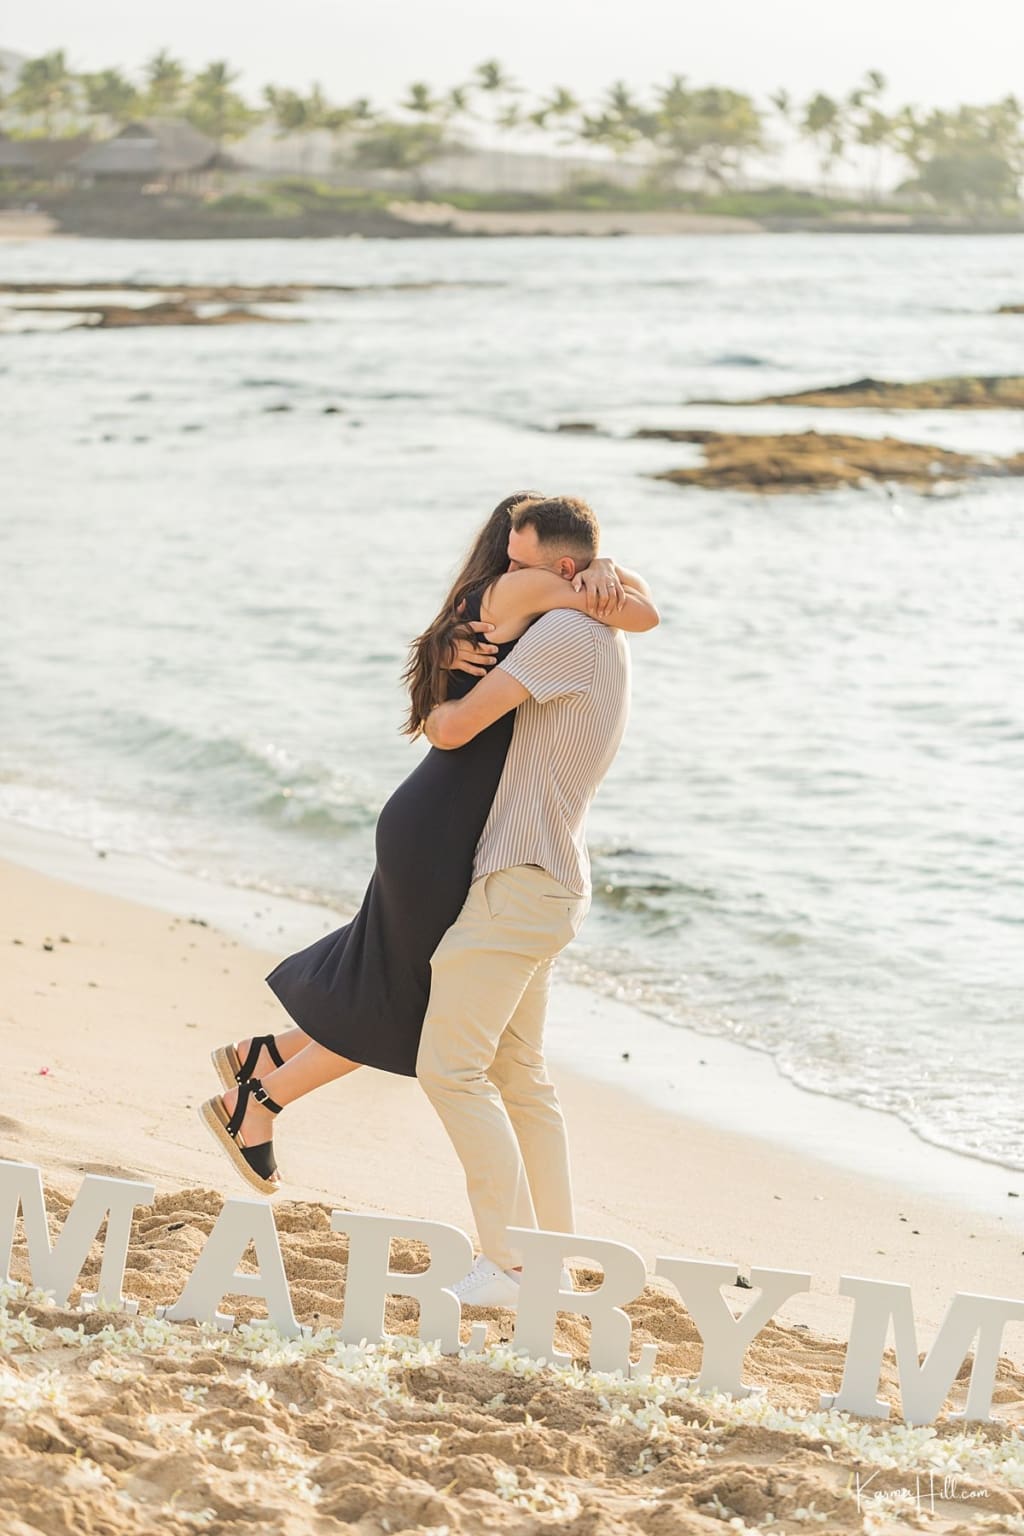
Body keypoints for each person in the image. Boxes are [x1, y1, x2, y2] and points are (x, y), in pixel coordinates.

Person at [199, 493, 659, 1196]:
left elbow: (623, 608)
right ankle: (256, 1104)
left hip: (443, 819)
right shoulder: (527, 591)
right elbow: (638, 615)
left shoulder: (501, 601)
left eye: (523, 550)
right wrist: (605, 576)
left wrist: (609, 569)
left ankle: (263, 1060)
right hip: (447, 823)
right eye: (513, 551)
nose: (516, 563)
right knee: (409, 999)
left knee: (395, 978)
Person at [413, 494, 648, 1306]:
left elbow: (455, 730)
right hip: (548, 883)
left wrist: (438, 704)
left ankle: (509, 1263)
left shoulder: (566, 633)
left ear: (565, 569)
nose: (505, 576)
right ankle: (550, 1256)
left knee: (449, 1069)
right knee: (520, 1076)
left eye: (519, 564)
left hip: (521, 882)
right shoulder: (602, 633)